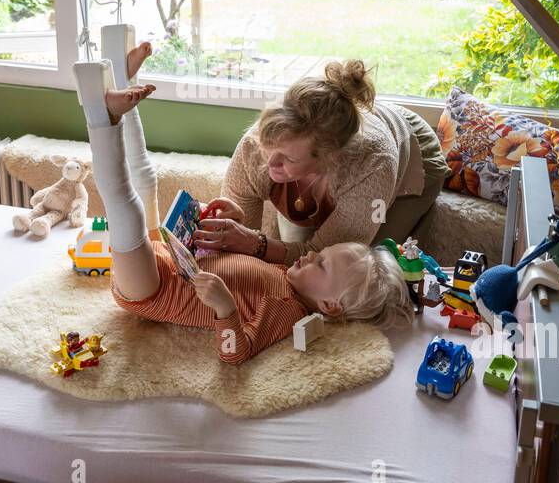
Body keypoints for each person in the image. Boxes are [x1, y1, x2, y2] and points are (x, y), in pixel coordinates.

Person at [73, 27, 411, 365]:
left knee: (124, 207)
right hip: (171, 263)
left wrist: (226, 308)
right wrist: (231, 220)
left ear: (330, 305)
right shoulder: (285, 270)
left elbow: (236, 353)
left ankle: (100, 117)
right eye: (269, 150)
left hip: (156, 291)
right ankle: (122, 78)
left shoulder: (287, 313)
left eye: (321, 262)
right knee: (146, 181)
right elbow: (243, 249)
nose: (270, 163)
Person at [195, 60, 448, 266]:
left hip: (413, 155)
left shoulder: (372, 165)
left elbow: (324, 260)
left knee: (363, 269)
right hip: (337, 137)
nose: (270, 163)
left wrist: (256, 244)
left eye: (288, 159)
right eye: (268, 145)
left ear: (329, 158)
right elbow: (237, 249)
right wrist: (235, 233)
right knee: (287, 259)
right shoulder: (258, 144)